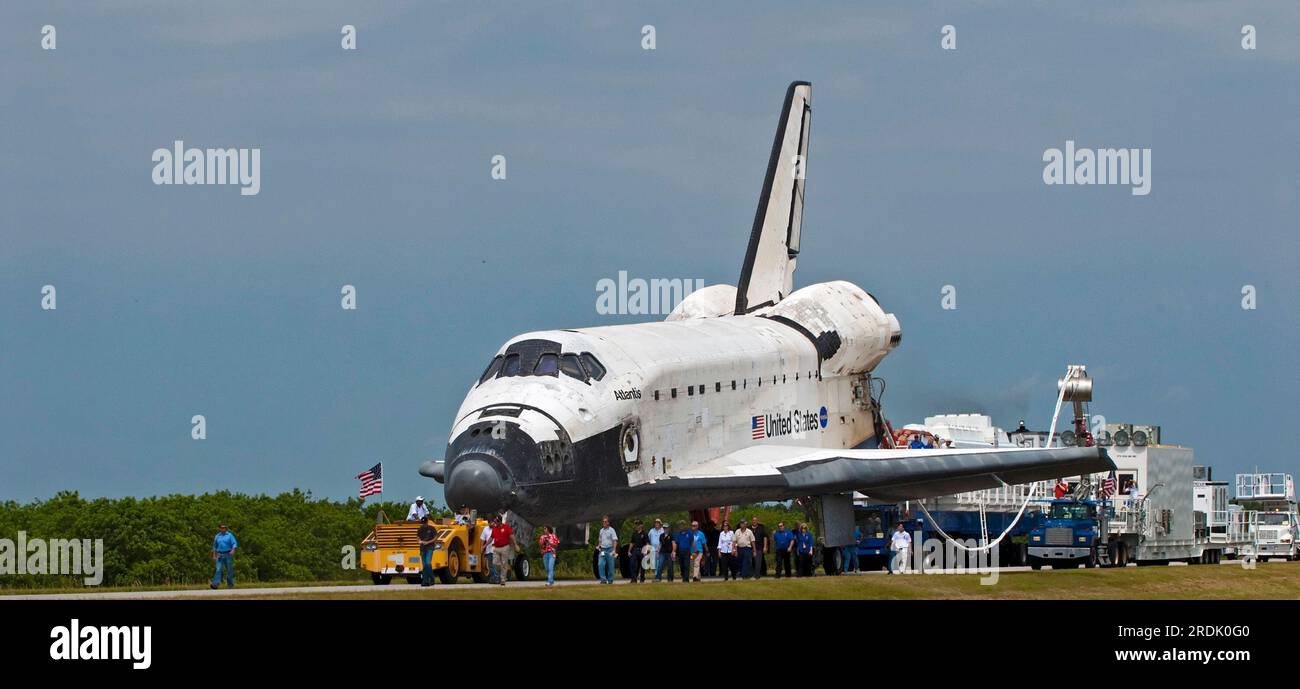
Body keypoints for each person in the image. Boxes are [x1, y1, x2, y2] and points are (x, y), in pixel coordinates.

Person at [491, 514, 520, 586]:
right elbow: (491, 537)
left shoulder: (506, 527)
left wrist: (515, 545)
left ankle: (503, 579)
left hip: (505, 547)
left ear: (500, 521)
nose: (495, 523)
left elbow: (512, 536)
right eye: (495, 521)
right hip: (496, 548)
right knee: (495, 563)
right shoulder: (494, 528)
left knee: (504, 563)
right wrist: (485, 545)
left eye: (496, 522)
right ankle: (504, 569)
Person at [210, 523, 238, 589]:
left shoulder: (230, 535)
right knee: (218, 569)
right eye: (222, 528)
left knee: (229, 570)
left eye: (225, 528)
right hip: (219, 555)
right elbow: (214, 546)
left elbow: (234, 543)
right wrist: (214, 555)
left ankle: (230, 585)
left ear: (226, 528)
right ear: (219, 528)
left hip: (228, 554)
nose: (223, 529)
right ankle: (215, 584)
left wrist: (233, 550)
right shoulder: (217, 536)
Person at [418, 515, 438, 587]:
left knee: (428, 563)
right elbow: (418, 537)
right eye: (422, 523)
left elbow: (435, 538)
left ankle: (432, 578)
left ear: (427, 522)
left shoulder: (432, 528)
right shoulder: (420, 529)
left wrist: (428, 542)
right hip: (422, 548)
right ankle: (425, 581)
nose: (424, 524)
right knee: (424, 565)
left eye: (424, 523)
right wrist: (419, 541)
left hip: (430, 547)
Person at [597, 516, 619, 584]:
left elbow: (615, 540)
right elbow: (600, 540)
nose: (604, 523)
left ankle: (610, 580)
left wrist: (614, 550)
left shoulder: (611, 530)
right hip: (603, 550)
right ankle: (603, 579)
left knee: (610, 565)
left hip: (610, 550)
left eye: (605, 521)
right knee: (600, 564)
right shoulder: (601, 530)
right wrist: (599, 546)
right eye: (603, 521)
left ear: (608, 523)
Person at [480, 515, 496, 582]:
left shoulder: (496, 528)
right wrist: (482, 547)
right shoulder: (485, 529)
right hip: (489, 550)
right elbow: (482, 539)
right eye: (489, 523)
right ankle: (493, 578)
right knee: (490, 566)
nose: (490, 524)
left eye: (491, 522)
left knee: (495, 565)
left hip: (496, 550)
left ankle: (495, 578)